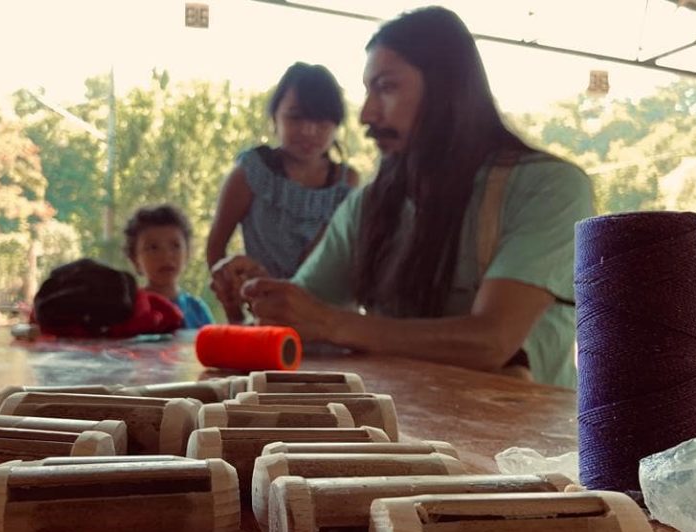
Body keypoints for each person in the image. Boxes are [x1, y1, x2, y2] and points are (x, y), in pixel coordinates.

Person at [211, 7, 595, 389]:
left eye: (386, 87)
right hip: (398, 434)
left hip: (523, 446)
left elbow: (491, 341)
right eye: (367, 91)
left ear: (448, 89)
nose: (365, 114)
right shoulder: (368, 205)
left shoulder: (548, 186)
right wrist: (264, 296)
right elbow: (300, 317)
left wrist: (332, 323)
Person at [206, 62, 360, 322]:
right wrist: (234, 310)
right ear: (275, 117)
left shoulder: (347, 183)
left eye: (322, 121)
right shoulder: (250, 172)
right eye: (296, 117)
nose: (308, 131)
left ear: (336, 125)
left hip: (329, 320)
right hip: (267, 318)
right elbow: (216, 247)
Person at [124, 204, 214, 329]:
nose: (166, 256)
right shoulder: (132, 309)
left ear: (187, 253)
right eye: (153, 247)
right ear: (135, 260)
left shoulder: (196, 309)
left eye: (175, 246)